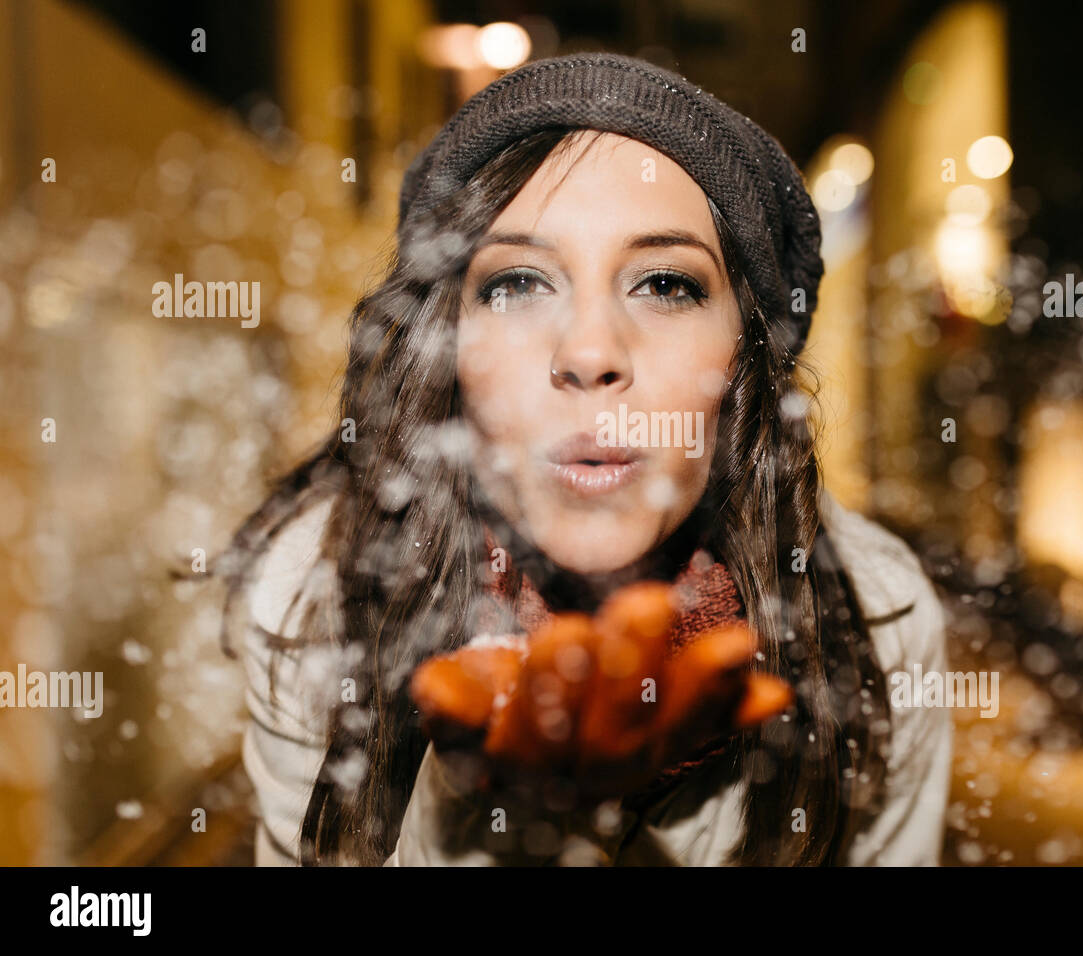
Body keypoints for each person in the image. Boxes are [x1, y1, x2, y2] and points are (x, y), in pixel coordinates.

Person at [219, 52, 951, 866]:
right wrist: (483, 814)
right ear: (447, 353)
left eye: (667, 284)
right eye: (518, 283)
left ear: (744, 361)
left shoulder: (877, 622)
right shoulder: (318, 599)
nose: (591, 350)